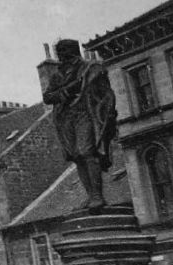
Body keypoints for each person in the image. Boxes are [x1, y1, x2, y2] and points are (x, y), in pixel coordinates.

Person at [42, 38, 118, 210]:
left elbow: (105, 93)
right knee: (77, 156)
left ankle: (98, 195)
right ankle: (91, 196)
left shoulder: (89, 68)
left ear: (73, 51)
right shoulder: (57, 75)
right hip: (66, 117)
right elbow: (47, 97)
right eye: (59, 52)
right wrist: (67, 91)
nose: (61, 56)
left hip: (85, 113)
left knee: (87, 152)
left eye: (64, 51)